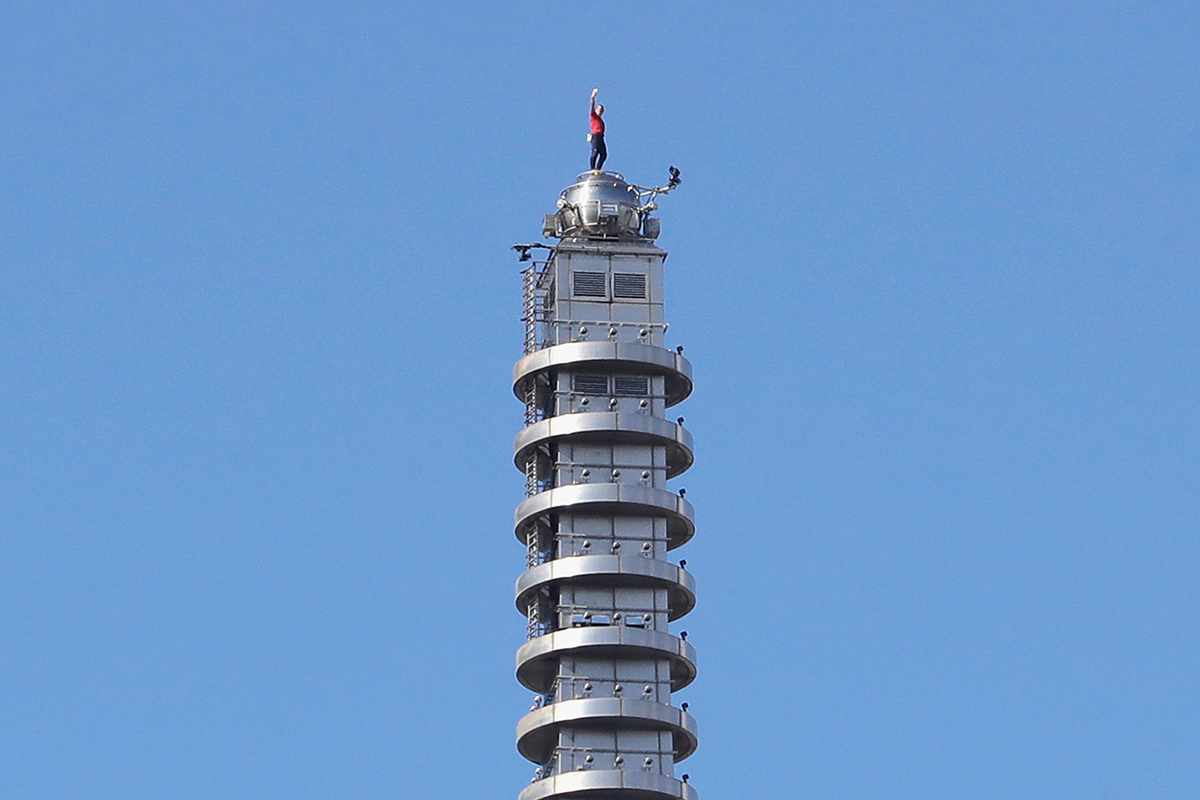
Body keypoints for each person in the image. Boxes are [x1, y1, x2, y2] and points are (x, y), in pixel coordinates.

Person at [588, 88, 607, 171]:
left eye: (601, 110)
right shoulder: (593, 116)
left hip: (600, 137)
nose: (600, 110)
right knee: (595, 152)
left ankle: (597, 169)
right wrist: (593, 96)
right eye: (599, 109)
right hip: (595, 136)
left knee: (604, 155)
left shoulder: (601, 121)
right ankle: (592, 169)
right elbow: (592, 105)